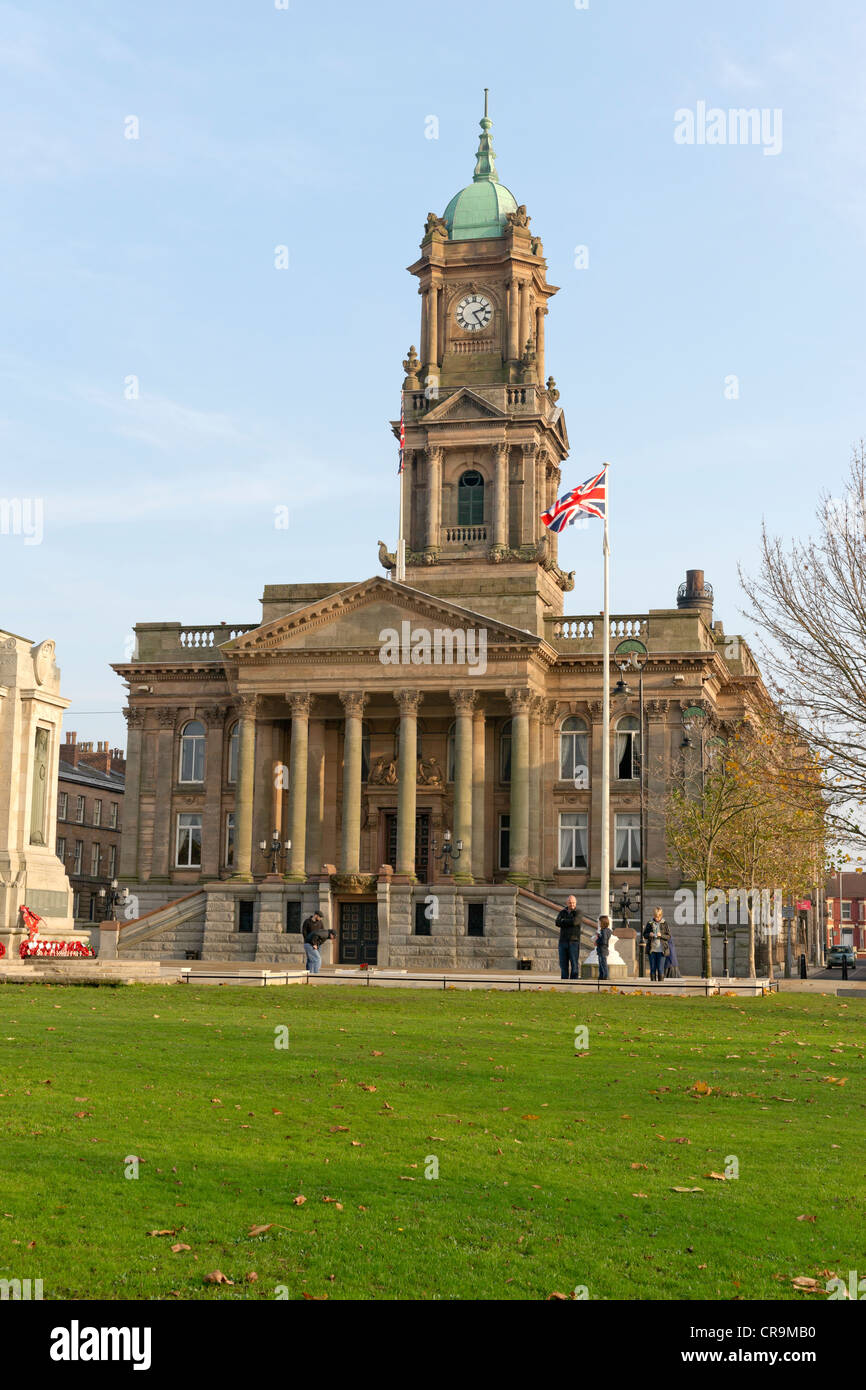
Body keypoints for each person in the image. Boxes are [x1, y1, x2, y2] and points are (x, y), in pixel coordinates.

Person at [555, 895, 583, 980]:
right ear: (567, 903)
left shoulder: (578, 912)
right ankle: (564, 980)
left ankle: (574, 981)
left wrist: (564, 921)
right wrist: (567, 921)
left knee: (574, 963)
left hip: (573, 941)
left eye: (573, 902)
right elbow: (557, 922)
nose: (572, 904)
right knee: (563, 963)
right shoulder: (562, 912)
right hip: (563, 941)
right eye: (570, 902)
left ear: (576, 903)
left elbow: (575, 922)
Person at [643, 907, 670, 982]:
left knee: (660, 969)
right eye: (655, 916)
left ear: (661, 915)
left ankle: (660, 987)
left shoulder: (664, 923)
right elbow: (644, 934)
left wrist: (661, 935)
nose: (656, 918)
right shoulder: (650, 922)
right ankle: (653, 986)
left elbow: (668, 936)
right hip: (652, 950)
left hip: (662, 951)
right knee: (652, 969)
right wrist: (649, 934)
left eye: (658, 916)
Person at [595, 915, 612, 980]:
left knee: (603, 963)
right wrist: (599, 935)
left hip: (602, 949)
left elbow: (604, 940)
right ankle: (601, 975)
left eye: (600, 922)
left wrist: (597, 941)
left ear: (603, 923)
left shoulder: (604, 931)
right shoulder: (607, 930)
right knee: (601, 963)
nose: (599, 923)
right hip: (604, 949)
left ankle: (605, 976)